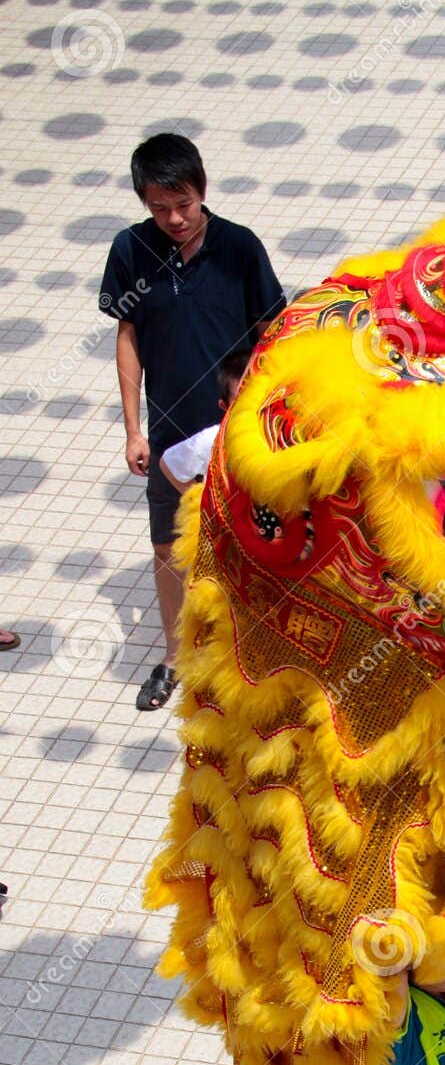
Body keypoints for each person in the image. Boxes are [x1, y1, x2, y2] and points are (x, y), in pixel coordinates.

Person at [99, 134, 286, 712]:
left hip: (236, 432)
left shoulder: (238, 248)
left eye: (183, 203)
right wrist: (134, 429)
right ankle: (175, 658)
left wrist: (268, 416)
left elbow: (272, 334)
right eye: (159, 207)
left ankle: (258, 659)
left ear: (201, 189)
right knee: (168, 548)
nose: (174, 218)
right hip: (169, 437)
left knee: (252, 545)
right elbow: (127, 337)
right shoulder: (131, 250)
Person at [158, 350, 250, 492]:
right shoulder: (214, 439)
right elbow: (169, 463)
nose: (252, 407)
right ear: (224, 406)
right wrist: (200, 504)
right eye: (240, 401)